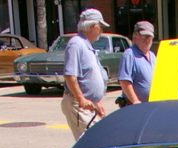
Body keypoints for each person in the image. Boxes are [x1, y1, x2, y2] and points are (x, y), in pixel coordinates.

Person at [62, 8, 108, 139]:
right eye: (100, 26)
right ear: (92, 26)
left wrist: (96, 103)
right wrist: (81, 98)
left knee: (97, 141)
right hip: (79, 106)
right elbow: (70, 76)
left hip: (89, 106)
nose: (102, 30)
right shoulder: (76, 44)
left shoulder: (87, 45)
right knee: (89, 144)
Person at [118, 20, 156, 105]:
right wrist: (135, 101)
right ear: (135, 36)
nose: (147, 40)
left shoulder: (153, 56)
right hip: (134, 107)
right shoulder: (129, 54)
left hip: (151, 105)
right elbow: (124, 81)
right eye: (144, 36)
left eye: (149, 37)